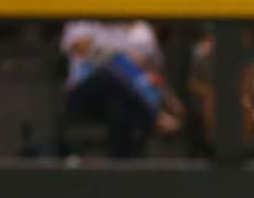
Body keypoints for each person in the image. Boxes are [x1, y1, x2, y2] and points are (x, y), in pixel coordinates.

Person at [60, 17, 180, 158]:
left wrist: (170, 99)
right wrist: (120, 58)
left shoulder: (141, 30)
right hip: (84, 97)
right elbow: (83, 49)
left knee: (118, 103)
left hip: (125, 97)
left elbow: (150, 70)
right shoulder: (82, 21)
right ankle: (154, 117)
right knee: (108, 72)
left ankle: (122, 165)